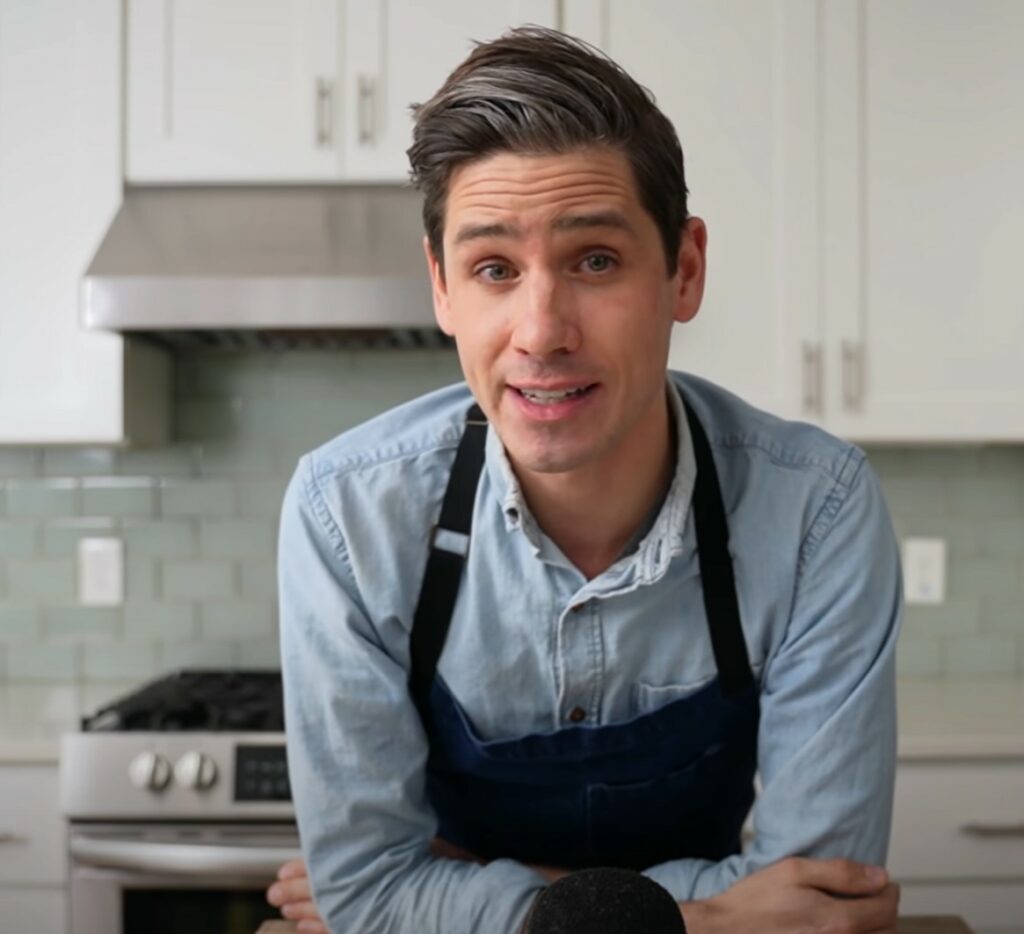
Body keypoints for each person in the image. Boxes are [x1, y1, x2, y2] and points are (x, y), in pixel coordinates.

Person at [270, 25, 903, 934]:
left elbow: (820, 894)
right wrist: (707, 917)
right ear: (443, 288)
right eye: (494, 269)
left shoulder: (817, 509)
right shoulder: (346, 514)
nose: (541, 331)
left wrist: (465, 886)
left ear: (683, 270)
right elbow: (368, 893)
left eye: (595, 261)